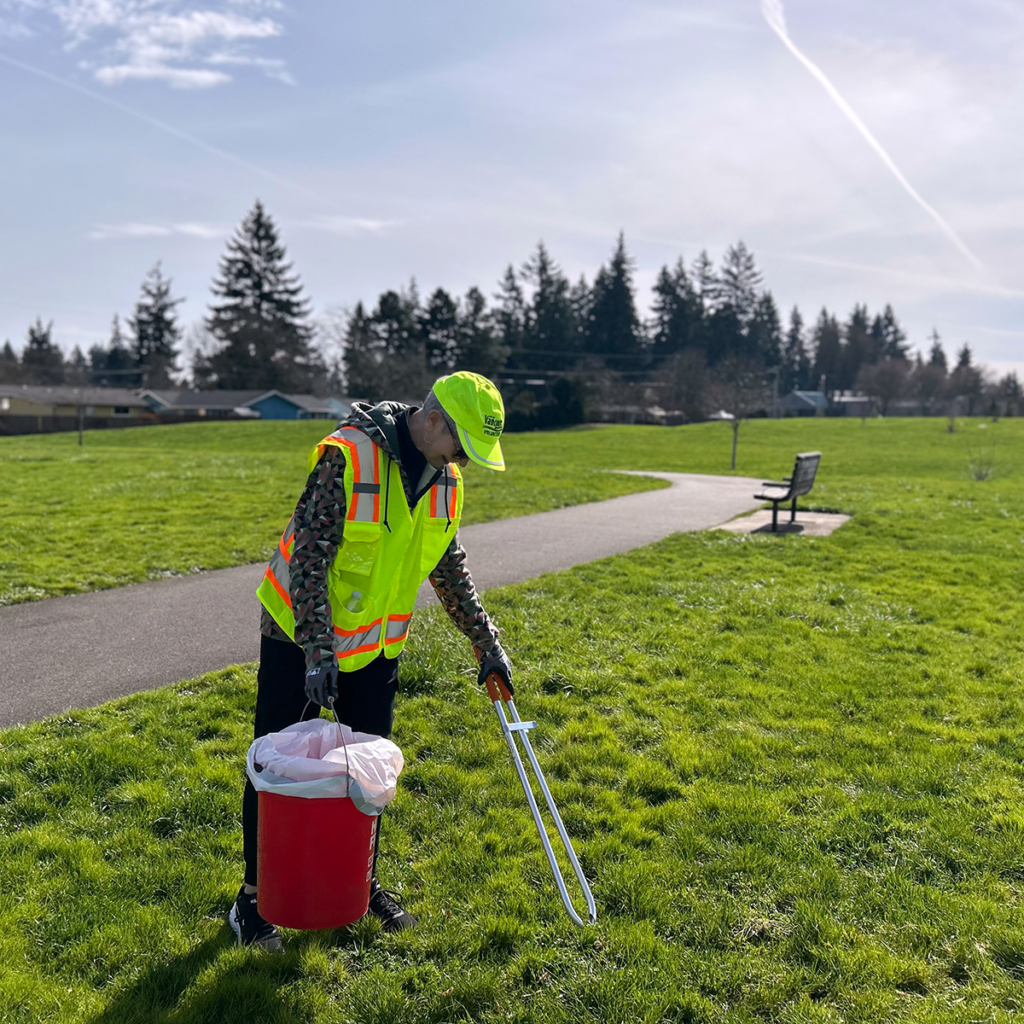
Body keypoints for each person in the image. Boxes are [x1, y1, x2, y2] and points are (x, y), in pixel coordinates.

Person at [229, 371, 514, 950]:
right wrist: (316, 649)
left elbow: (447, 565)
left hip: (375, 646)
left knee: (367, 774)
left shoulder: (446, 480)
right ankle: (253, 901)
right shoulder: (350, 457)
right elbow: (309, 555)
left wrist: (487, 644)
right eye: (462, 443)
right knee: (279, 767)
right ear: (433, 419)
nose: (465, 459)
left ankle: (358, 883)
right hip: (298, 636)